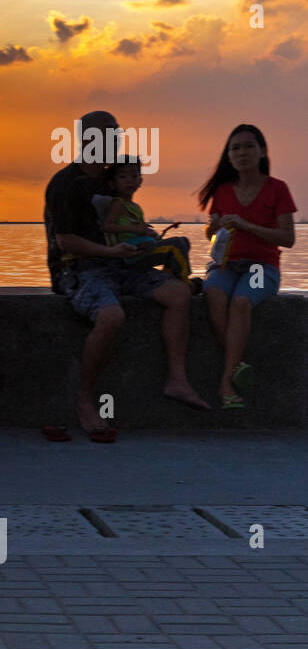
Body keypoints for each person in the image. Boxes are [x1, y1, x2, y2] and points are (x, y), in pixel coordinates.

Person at [42, 110, 209, 442]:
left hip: (118, 265)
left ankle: (177, 380)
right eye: (110, 133)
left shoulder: (109, 179)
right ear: (88, 139)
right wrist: (112, 253)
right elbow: (66, 241)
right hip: (77, 269)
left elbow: (116, 228)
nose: (117, 138)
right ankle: (85, 398)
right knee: (111, 315)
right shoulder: (66, 184)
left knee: (178, 294)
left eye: (117, 133)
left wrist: (137, 243)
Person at [196, 124, 297, 409]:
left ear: (262, 151)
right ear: (228, 156)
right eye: (235, 148)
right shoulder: (224, 191)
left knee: (241, 301)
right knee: (214, 294)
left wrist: (246, 225)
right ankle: (237, 364)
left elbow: (288, 239)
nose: (242, 153)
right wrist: (212, 227)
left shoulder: (277, 188)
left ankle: (226, 381)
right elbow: (211, 236)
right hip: (227, 264)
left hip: (260, 266)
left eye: (249, 146)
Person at [97, 158, 196, 287]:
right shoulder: (118, 203)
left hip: (142, 249)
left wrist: (148, 233)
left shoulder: (135, 207)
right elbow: (107, 226)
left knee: (184, 241)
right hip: (131, 255)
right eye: (123, 176)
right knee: (176, 245)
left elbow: (139, 230)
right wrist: (136, 229)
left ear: (140, 181)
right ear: (112, 183)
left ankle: (171, 277)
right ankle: (184, 281)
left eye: (134, 175)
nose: (129, 180)